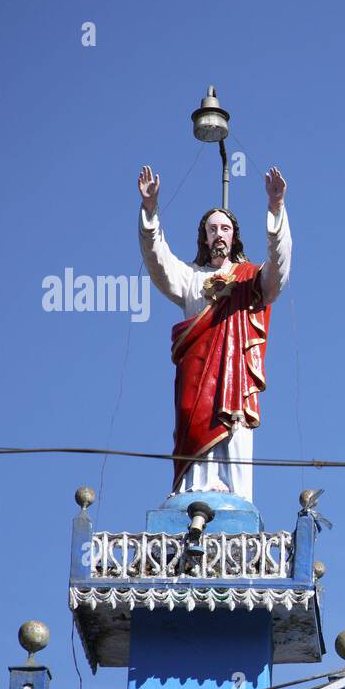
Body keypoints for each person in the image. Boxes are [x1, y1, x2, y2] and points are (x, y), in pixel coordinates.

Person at [137, 164, 291, 502]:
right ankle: (193, 492)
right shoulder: (191, 278)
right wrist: (150, 212)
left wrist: (276, 210)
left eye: (224, 228)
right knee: (194, 428)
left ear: (234, 235)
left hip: (236, 377)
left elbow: (278, 272)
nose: (219, 234)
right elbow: (158, 261)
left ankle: (236, 497)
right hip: (195, 378)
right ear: (204, 238)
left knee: (234, 427)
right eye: (212, 229)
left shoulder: (249, 277)